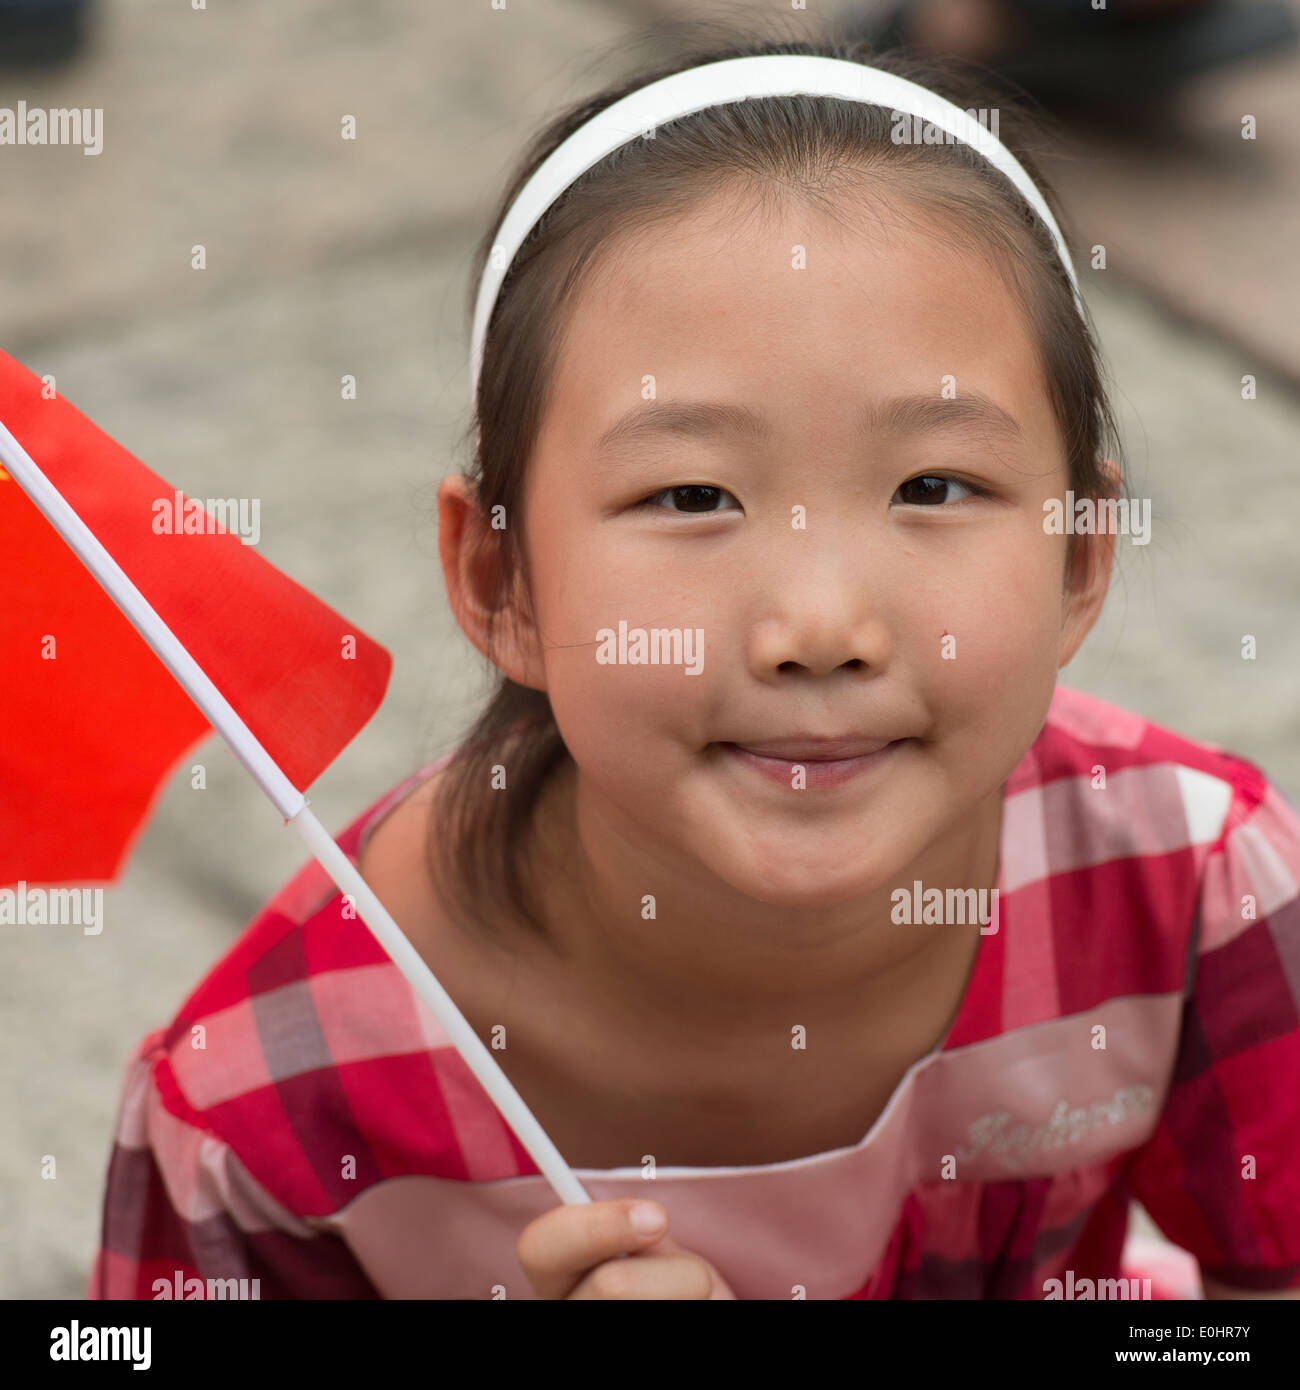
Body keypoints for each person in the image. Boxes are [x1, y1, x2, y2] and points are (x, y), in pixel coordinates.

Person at [88, 28, 1300, 1301]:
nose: (820, 624)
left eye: (933, 485)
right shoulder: (270, 1109)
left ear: (1078, 559)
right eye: (691, 494)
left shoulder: (1189, 888)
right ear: (502, 581)